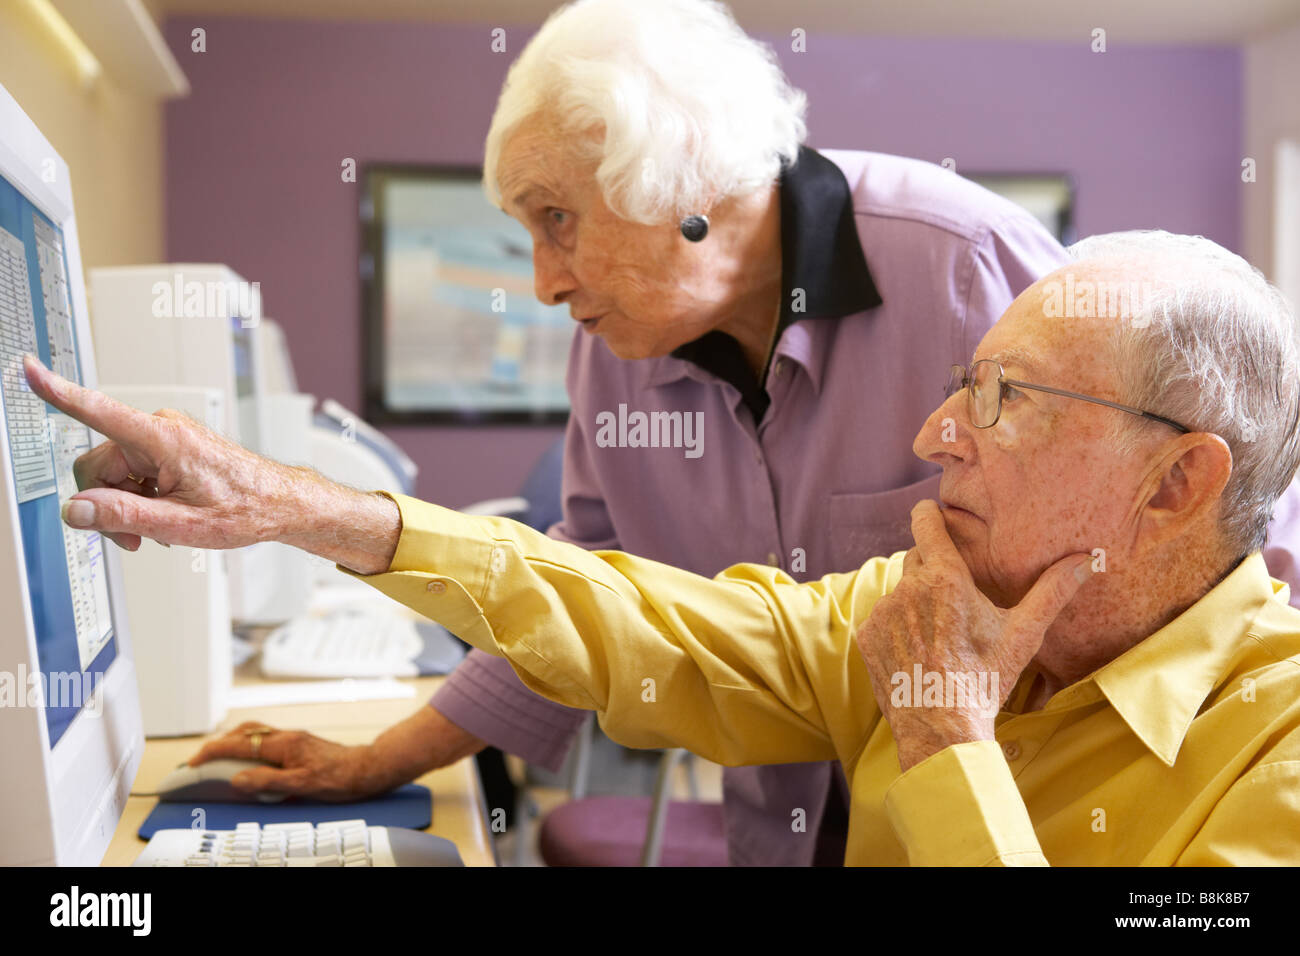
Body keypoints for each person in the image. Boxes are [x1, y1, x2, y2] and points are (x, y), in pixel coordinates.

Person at [25, 229, 1300, 865]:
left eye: (1008, 397)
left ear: (1177, 481)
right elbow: (649, 623)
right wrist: (306, 507)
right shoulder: (933, 609)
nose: (936, 430)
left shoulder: (1277, 756)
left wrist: (951, 742)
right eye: (966, 382)